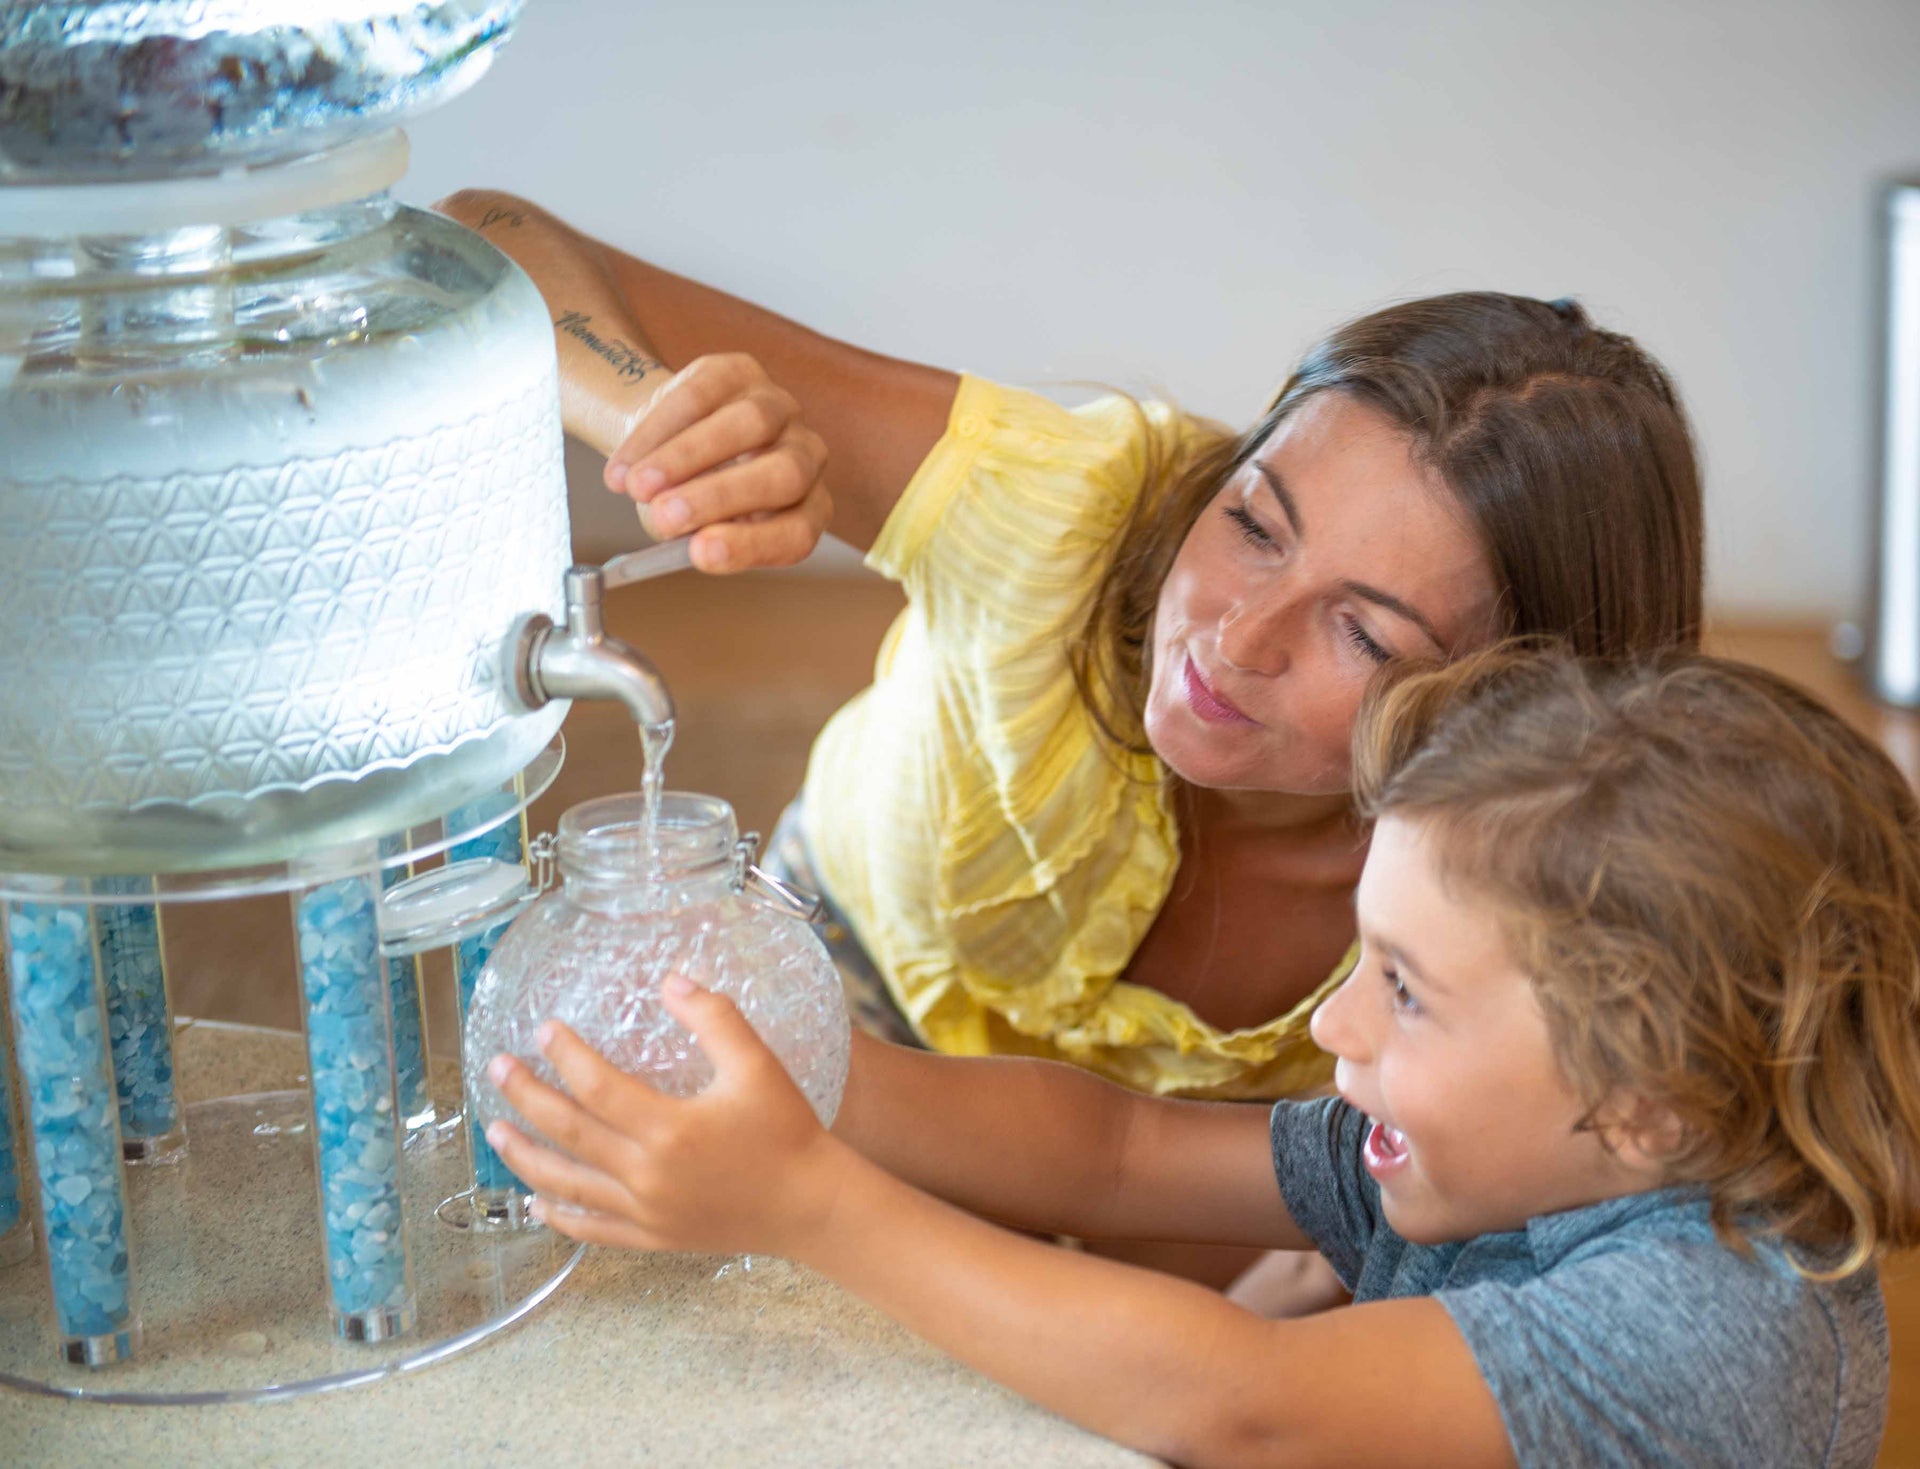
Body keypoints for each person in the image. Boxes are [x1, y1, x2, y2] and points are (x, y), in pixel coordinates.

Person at [433, 188, 1702, 1294]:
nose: (1234, 635)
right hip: (842, 977)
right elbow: (484, 236)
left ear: (1510, 702)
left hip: (1193, 1162)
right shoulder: (1061, 504)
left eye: (1364, 637)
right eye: (1255, 522)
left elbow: (1211, 1277)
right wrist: (661, 415)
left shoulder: (1533, 892)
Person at [481, 645, 1917, 1468]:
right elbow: (1120, 1153)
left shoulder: (1724, 1324)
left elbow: (1243, 1400)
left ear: (1654, 1103)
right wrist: (817, 1082)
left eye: (1406, 992)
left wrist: (807, 1202)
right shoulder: (1506, 1146)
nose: (1335, 1024)